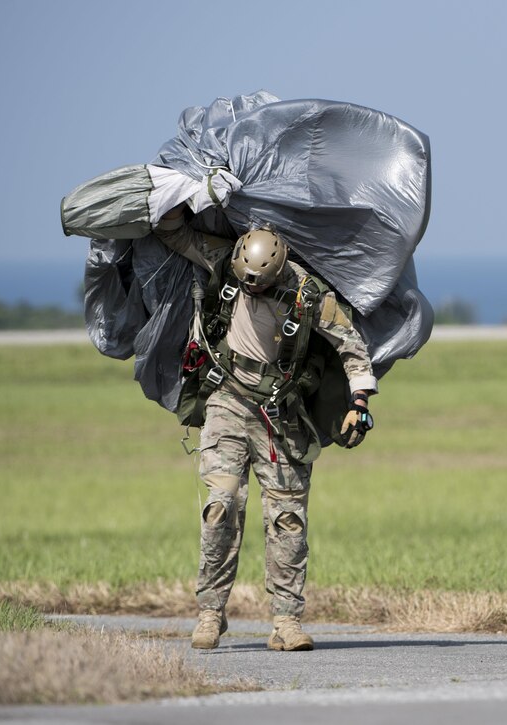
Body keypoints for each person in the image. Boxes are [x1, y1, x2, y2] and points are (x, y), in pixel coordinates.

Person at [154, 204, 377, 652]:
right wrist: (179, 203)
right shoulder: (225, 261)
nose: (250, 289)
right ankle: (210, 613)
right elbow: (174, 235)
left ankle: (287, 622)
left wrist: (359, 402)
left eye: (260, 284)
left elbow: (353, 350)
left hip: (280, 415)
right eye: (245, 282)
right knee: (220, 505)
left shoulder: (309, 296)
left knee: (288, 520)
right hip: (227, 401)